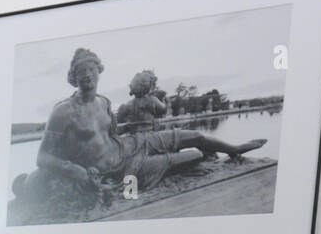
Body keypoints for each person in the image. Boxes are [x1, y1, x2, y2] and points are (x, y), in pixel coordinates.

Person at [14, 48, 266, 204]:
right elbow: (42, 156)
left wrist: (136, 129)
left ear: (99, 71)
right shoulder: (63, 111)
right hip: (119, 168)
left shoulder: (104, 102)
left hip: (131, 144)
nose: (87, 74)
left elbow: (111, 134)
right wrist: (74, 170)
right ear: (74, 77)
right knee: (192, 157)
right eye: (81, 71)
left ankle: (235, 148)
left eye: (92, 69)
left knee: (193, 135)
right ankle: (203, 156)